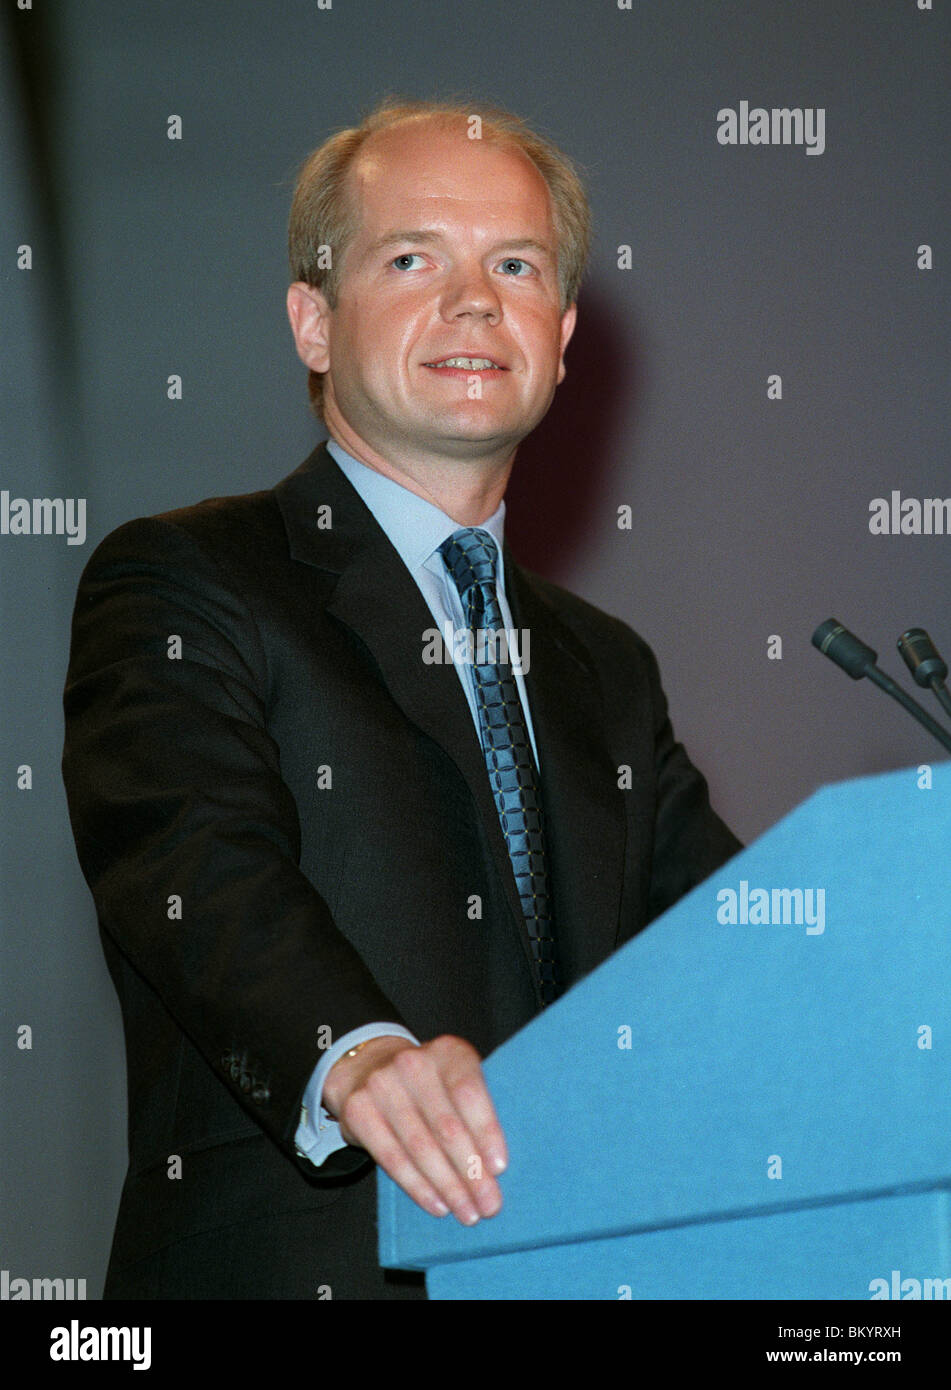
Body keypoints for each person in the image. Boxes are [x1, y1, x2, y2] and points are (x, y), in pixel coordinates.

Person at [62, 97, 740, 1300]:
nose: (475, 299)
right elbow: (195, 868)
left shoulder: (607, 666)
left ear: (564, 331)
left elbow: (729, 949)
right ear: (314, 322)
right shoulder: (186, 577)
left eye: (516, 265)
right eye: (413, 256)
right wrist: (362, 1057)